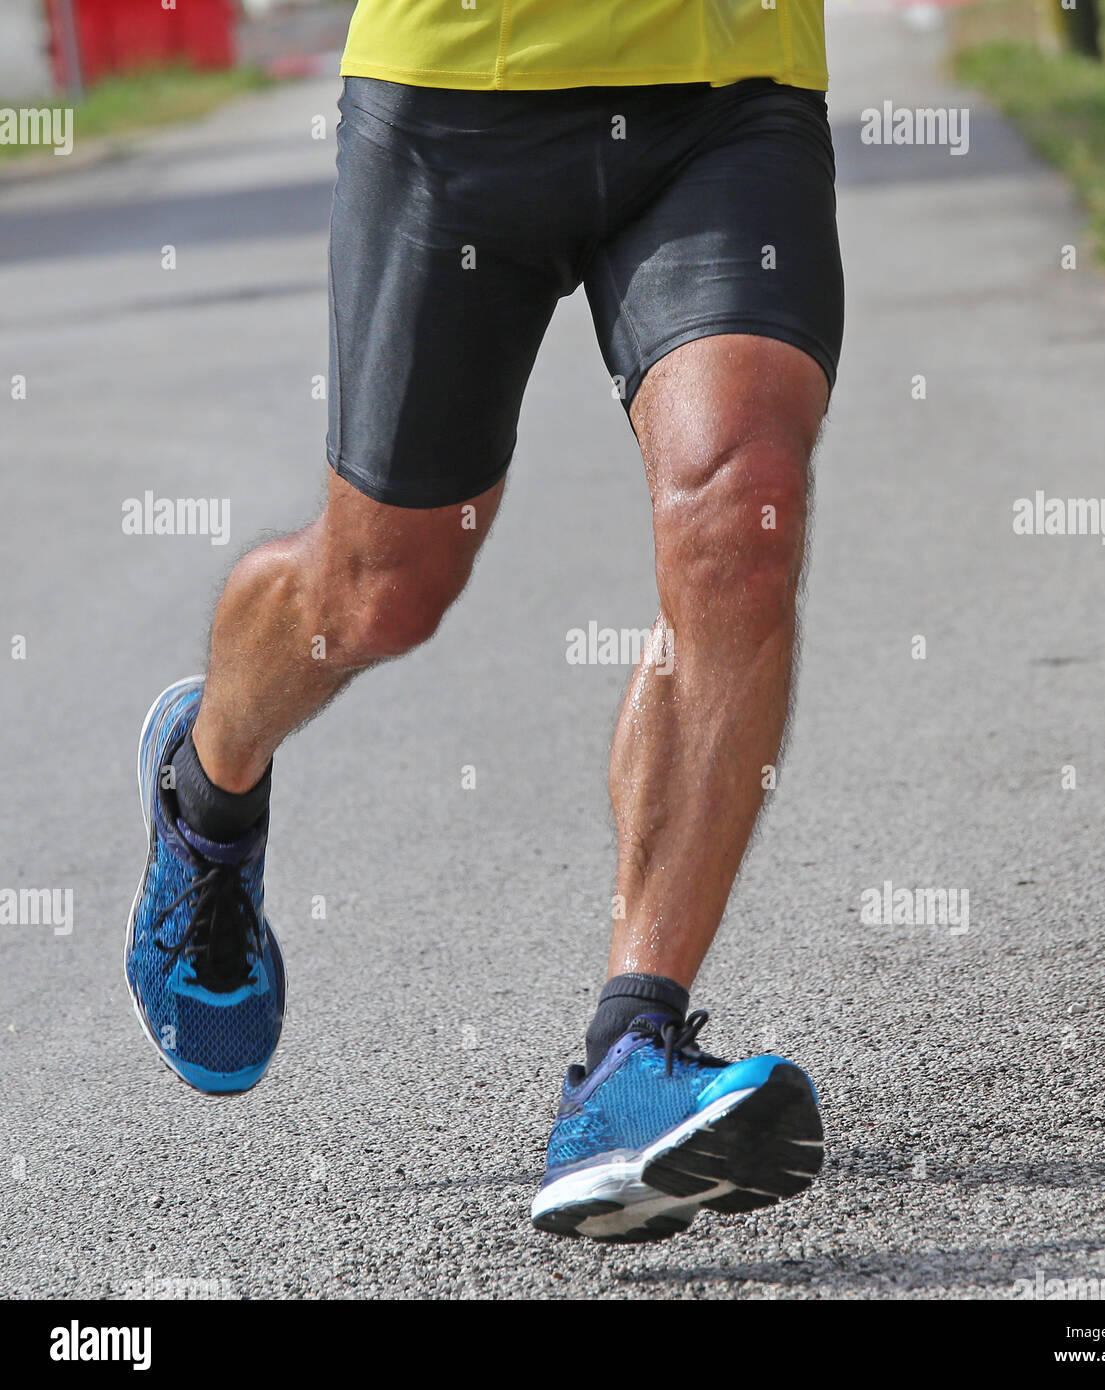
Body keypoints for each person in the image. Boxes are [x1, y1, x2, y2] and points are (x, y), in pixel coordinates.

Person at [125, 0, 844, 1243]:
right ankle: (209, 788)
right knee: (380, 588)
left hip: (732, 85)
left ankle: (631, 1054)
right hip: (461, 88)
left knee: (744, 509)